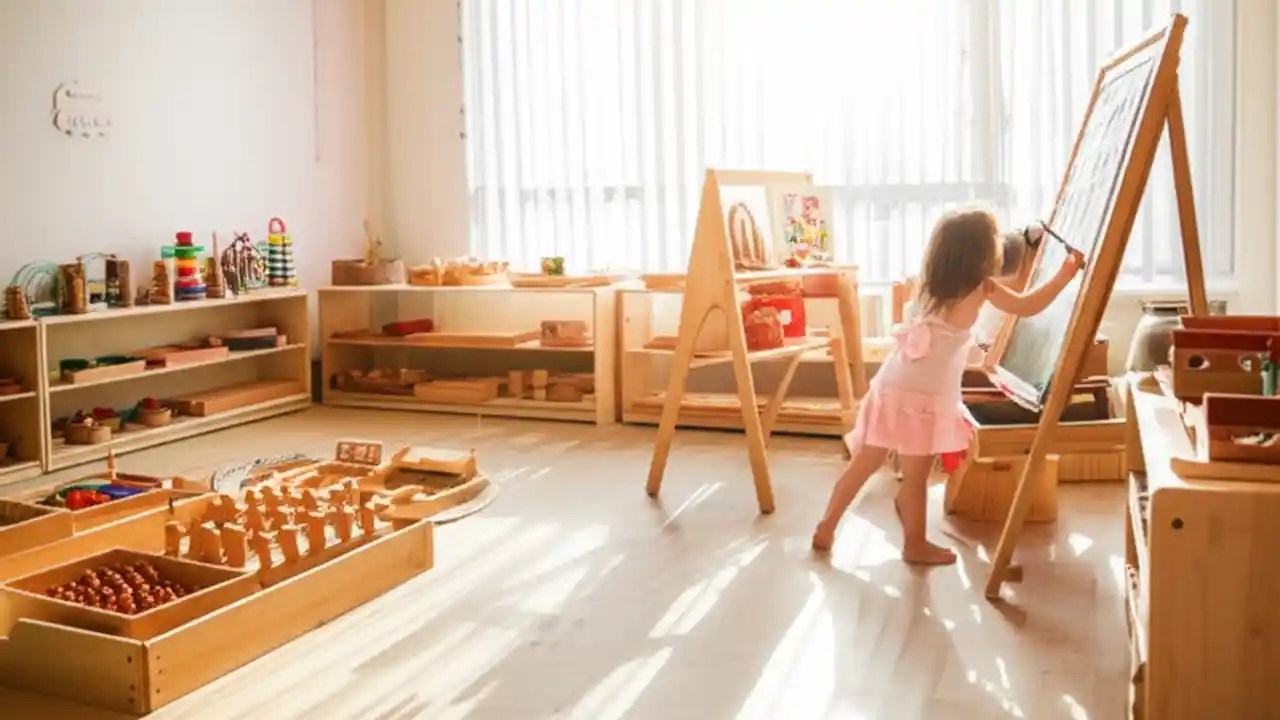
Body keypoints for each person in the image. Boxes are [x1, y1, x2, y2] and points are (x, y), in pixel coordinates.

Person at [811, 209, 1082, 564]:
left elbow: (994, 304)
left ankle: (826, 527)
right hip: (923, 398)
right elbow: (1028, 305)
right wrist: (1065, 273)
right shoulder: (982, 288)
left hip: (891, 385)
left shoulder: (929, 284)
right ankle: (914, 545)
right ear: (983, 254)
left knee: (863, 463)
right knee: (916, 478)